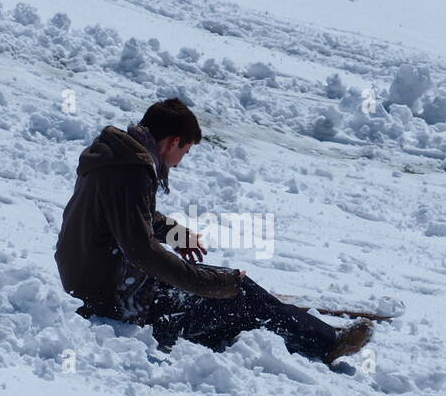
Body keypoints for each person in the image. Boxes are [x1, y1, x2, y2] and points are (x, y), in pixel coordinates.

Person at [55, 98, 373, 363]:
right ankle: (327, 343)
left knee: (226, 308)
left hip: (96, 285)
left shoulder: (114, 158)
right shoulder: (132, 170)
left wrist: (176, 233)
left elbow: (131, 217)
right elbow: (142, 251)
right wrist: (215, 283)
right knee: (239, 291)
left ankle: (286, 343)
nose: (179, 163)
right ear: (173, 142)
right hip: (117, 302)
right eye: (184, 152)